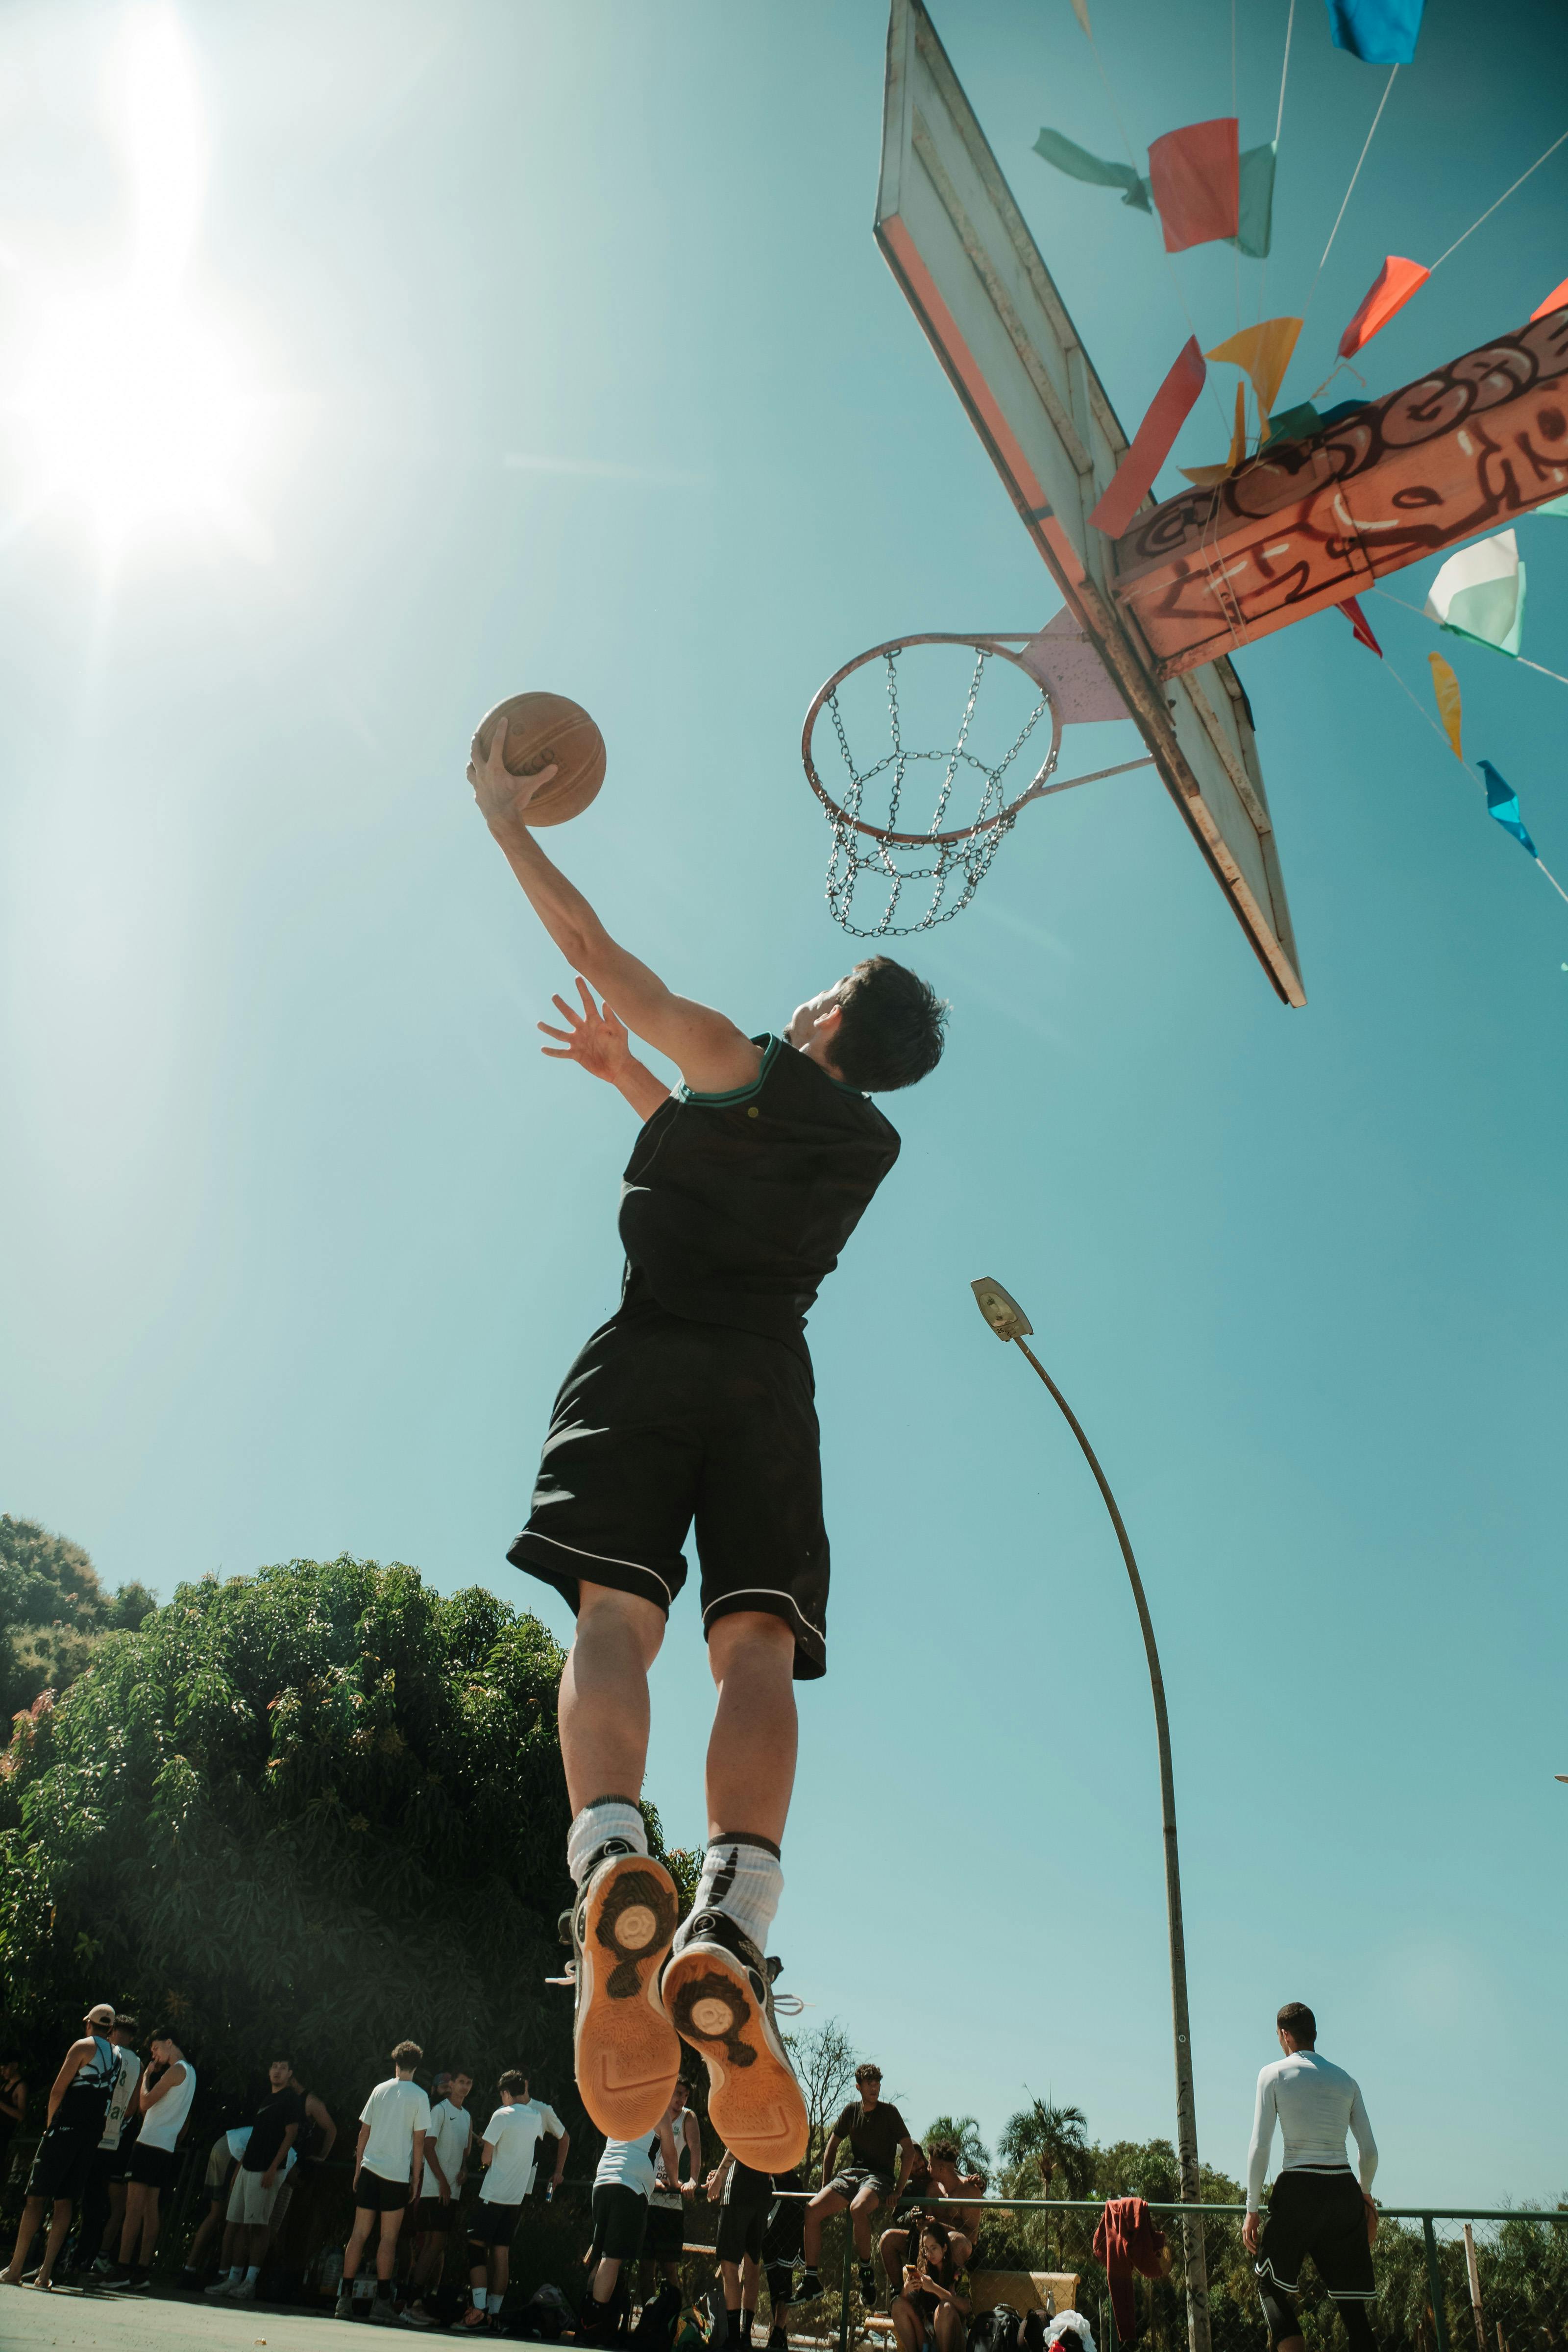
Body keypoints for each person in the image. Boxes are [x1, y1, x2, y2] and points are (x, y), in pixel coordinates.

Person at [471, 735, 946, 2171]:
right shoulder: (861, 1150)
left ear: (822, 1016)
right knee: (751, 1650)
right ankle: (729, 1918)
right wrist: (637, 1087)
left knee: (617, 1619)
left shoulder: (742, 1054)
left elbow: (596, 949)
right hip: (765, 1389)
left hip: (647, 1356)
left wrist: (507, 826)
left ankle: (613, 1849)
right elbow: (722, 1162)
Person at [1243, 2002, 1380, 2352]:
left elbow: (1260, 2146)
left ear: (1286, 2035)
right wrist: (1364, 2194)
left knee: (1269, 2285)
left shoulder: (1273, 2074)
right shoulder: (1346, 2080)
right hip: (1343, 2189)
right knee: (1352, 2306)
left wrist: (1252, 2207)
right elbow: (1370, 2152)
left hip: (1299, 2188)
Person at [2, 2003, 120, 2292]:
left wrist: (50, 2126)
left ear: (89, 2024)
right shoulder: (118, 2056)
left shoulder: (82, 2046)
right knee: (65, 2200)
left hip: (64, 2131)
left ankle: (15, 2268)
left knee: (36, 2197)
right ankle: (46, 2273)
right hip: (90, 2137)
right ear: (112, 2029)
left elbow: (59, 2089)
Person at [455, 2069, 569, 2335]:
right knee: (501, 2251)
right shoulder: (535, 2116)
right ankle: (494, 2314)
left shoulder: (501, 2114)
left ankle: (480, 2311)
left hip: (494, 2193)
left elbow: (485, 2159)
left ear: (506, 2093)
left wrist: (489, 2145)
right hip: (516, 2197)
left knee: (476, 2247)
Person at [798, 2065, 919, 2303]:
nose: (874, 2088)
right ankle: (811, 2279)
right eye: (869, 2084)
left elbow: (909, 2151)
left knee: (857, 2208)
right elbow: (831, 2148)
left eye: (877, 2084)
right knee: (811, 2210)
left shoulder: (889, 2113)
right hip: (851, 2175)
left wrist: (899, 2190)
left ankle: (866, 2274)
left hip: (878, 2178)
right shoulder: (851, 2112)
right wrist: (825, 2185)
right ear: (859, 2087)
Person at [335, 2043, 431, 2326]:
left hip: (370, 2171)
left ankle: (345, 2298)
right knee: (388, 2239)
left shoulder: (380, 2090)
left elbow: (364, 2133)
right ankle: (383, 2301)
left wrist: (357, 2170)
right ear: (417, 2066)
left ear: (396, 2064)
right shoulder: (421, 2097)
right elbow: (419, 2142)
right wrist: (415, 2178)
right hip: (396, 2176)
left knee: (359, 2234)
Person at [576, 2107, 684, 2347]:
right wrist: (675, 2183)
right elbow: (670, 2154)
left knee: (601, 2256)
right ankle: (595, 2327)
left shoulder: (623, 2105)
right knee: (612, 2258)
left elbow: (629, 2147)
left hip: (603, 2181)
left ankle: (586, 2322)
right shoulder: (659, 2111)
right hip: (630, 2188)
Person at [100, 2026, 196, 2289]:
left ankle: (122, 2270)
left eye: (155, 2048)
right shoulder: (192, 2073)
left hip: (149, 2144)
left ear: (169, 2042)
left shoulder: (176, 2070)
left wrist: (145, 2077)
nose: (154, 2055)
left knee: (133, 2209)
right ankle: (141, 2271)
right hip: (165, 2147)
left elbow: (144, 2104)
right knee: (150, 2208)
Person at [205, 2055, 305, 2302]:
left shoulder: (291, 2100)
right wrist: (239, 2170)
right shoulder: (266, 2099)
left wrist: (273, 2169)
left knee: (259, 2227)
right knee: (237, 2223)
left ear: (291, 2074)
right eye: (274, 2066)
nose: (277, 2071)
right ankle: (233, 2279)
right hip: (247, 2169)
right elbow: (256, 2138)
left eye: (283, 2068)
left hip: (267, 2171)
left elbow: (291, 2135)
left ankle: (250, 2282)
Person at [72, 2013, 142, 2278]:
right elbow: (133, 2108)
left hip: (88, 2132)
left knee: (73, 2194)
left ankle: (62, 2255)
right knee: (104, 2203)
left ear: (111, 2031)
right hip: (115, 2141)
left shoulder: (104, 2052)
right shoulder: (137, 2062)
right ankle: (92, 2257)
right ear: (133, 2037)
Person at [405, 2069, 474, 2325]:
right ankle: (412, 2302)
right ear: (452, 2084)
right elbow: (428, 2147)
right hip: (434, 2189)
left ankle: (420, 2301)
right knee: (432, 2243)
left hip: (452, 2192)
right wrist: (443, 2181)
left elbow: (465, 2153)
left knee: (438, 2245)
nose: (464, 2087)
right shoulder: (440, 2110)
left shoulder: (467, 2116)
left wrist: (465, 2170)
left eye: (469, 2083)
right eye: (461, 2082)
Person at [879, 2140, 987, 2285]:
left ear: (941, 2169)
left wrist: (939, 2227)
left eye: (924, 2162)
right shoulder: (928, 2189)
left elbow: (972, 2236)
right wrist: (919, 2222)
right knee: (888, 2238)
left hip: (962, 2249)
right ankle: (901, 2292)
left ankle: (954, 2295)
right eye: (912, 2164)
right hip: (931, 2246)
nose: (925, 2167)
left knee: (955, 2240)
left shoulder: (968, 2189)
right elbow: (905, 2219)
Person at [708, 2147, 775, 2349]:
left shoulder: (746, 2114)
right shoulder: (775, 2115)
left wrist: (720, 2175)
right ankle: (745, 2335)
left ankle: (734, 2339)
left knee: (730, 2265)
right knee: (752, 2261)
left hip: (737, 2190)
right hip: (762, 2191)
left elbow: (738, 2143)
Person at [643, 2078, 702, 2297]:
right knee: (646, 2265)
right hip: (649, 2195)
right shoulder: (653, 2110)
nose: (681, 2099)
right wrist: (649, 2179)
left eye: (685, 2095)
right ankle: (647, 2322)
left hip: (672, 2199)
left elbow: (695, 2150)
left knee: (670, 2268)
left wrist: (693, 2179)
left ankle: (672, 2322)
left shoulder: (688, 2117)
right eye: (678, 2093)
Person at [889, 2218, 969, 2352]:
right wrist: (906, 2290)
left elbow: (966, 2307)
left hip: (952, 2338)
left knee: (945, 2307)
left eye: (934, 2248)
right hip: (927, 2334)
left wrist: (933, 2288)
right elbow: (907, 2305)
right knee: (897, 2303)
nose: (929, 2254)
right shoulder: (924, 2271)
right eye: (926, 2249)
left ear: (944, 2248)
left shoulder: (958, 2273)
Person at [759, 2168, 805, 2352]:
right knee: (774, 2286)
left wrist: (801, 2244)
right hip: (769, 2234)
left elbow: (802, 2214)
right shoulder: (764, 2179)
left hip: (788, 2232)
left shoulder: (795, 2182)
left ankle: (778, 2332)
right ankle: (780, 2337)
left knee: (784, 2284)